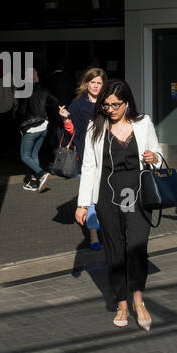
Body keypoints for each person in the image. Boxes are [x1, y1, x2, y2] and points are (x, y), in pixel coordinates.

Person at [76, 80, 162, 330]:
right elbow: (89, 166)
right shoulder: (95, 127)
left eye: (116, 105)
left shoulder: (143, 123)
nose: (110, 109)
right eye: (106, 105)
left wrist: (153, 157)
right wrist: (83, 204)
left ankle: (138, 300)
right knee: (115, 251)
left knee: (136, 247)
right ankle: (122, 303)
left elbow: (156, 153)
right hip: (107, 196)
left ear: (127, 103)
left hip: (138, 194)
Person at [62, 67, 107, 249]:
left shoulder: (108, 103)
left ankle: (107, 228)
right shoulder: (78, 105)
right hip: (84, 160)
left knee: (104, 197)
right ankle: (94, 235)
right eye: (93, 82)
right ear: (86, 83)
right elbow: (72, 133)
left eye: (99, 83)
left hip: (105, 159)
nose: (95, 86)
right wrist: (66, 120)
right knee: (89, 199)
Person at [16, 67, 60, 192]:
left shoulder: (25, 91)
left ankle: (41, 173)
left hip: (31, 127)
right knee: (34, 154)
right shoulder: (44, 90)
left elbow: (22, 110)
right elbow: (55, 102)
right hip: (43, 126)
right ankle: (35, 181)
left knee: (25, 156)